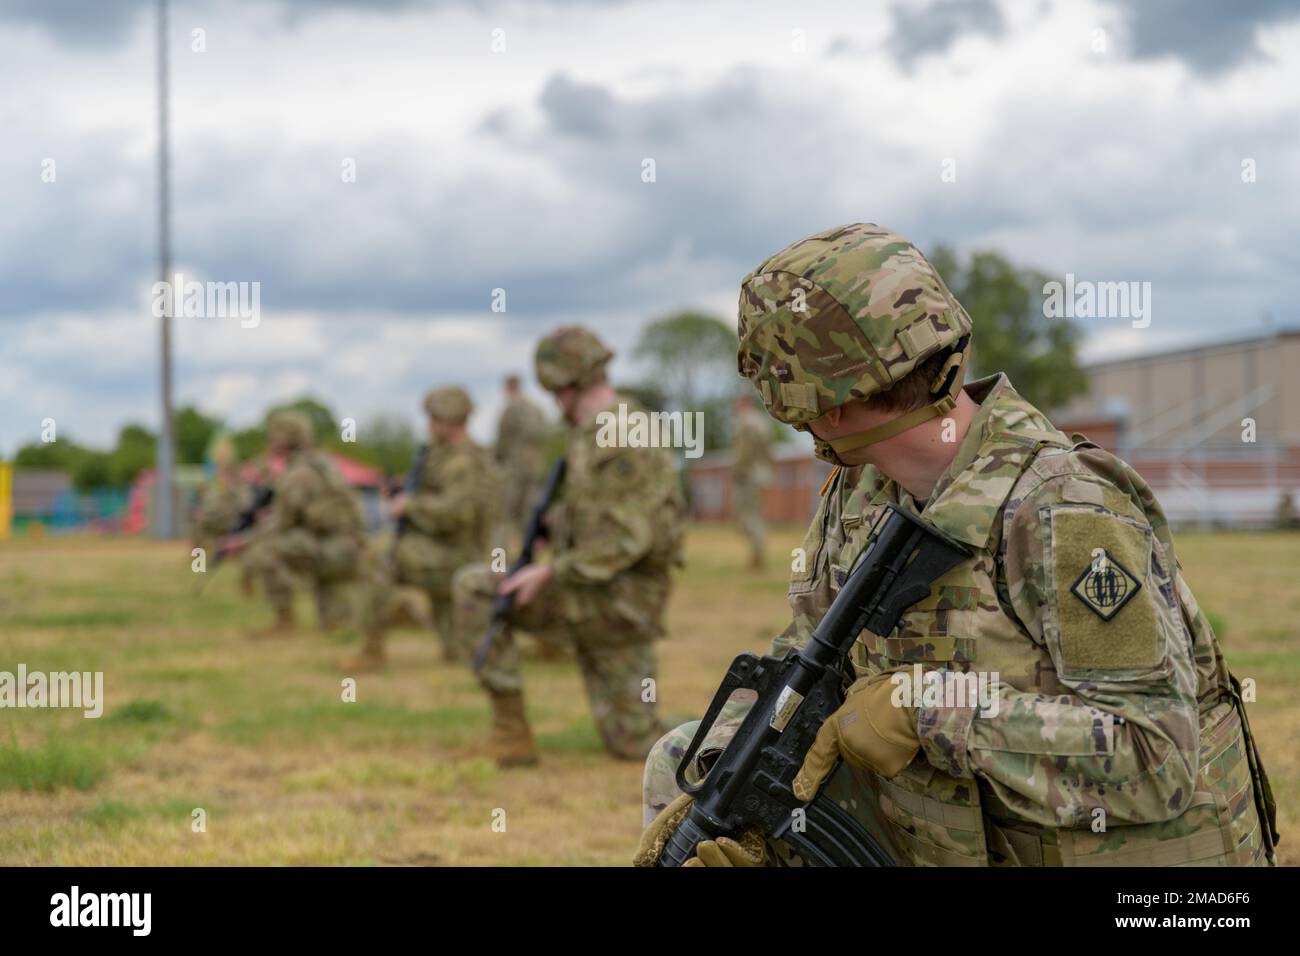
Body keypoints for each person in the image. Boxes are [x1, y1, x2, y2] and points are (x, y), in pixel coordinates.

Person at [636, 222, 1277, 867]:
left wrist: (928, 712)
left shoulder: (1064, 507)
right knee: (683, 760)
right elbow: (806, 655)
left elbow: (1154, 756)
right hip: (958, 827)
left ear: (820, 410)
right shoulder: (859, 489)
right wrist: (736, 783)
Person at [452, 326, 686, 766]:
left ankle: (735, 728)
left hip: (618, 602)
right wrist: (555, 526)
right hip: (602, 595)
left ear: (564, 382)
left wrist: (549, 572)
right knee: (634, 742)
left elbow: (627, 538)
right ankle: (512, 736)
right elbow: (604, 517)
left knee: (477, 589)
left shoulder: (619, 433)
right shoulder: (597, 430)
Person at [347, 387, 499, 671]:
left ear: (451, 421)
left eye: (434, 419)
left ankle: (371, 652)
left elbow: (457, 514)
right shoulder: (441, 456)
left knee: (377, 560)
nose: (429, 426)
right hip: (448, 551)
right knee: (461, 652)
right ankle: (457, 644)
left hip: (459, 555)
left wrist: (411, 506)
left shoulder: (463, 462)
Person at [234, 410, 366, 638]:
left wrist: (242, 542)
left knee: (267, 550)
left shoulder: (298, 474)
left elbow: (283, 523)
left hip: (332, 550)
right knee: (337, 627)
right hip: (348, 547)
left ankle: (285, 623)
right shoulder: (323, 463)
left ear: (283, 440)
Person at [494, 374, 549, 534]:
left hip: (515, 468)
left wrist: (498, 461)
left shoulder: (510, 409)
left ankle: (506, 552)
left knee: (507, 513)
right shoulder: (536, 408)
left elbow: (502, 440)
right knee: (531, 512)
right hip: (536, 467)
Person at [730, 392, 772, 570]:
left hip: (747, 475)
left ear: (745, 403)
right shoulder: (763, 423)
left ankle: (757, 555)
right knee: (755, 514)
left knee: (748, 517)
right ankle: (757, 553)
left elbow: (743, 453)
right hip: (762, 474)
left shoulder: (746, 423)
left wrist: (736, 471)